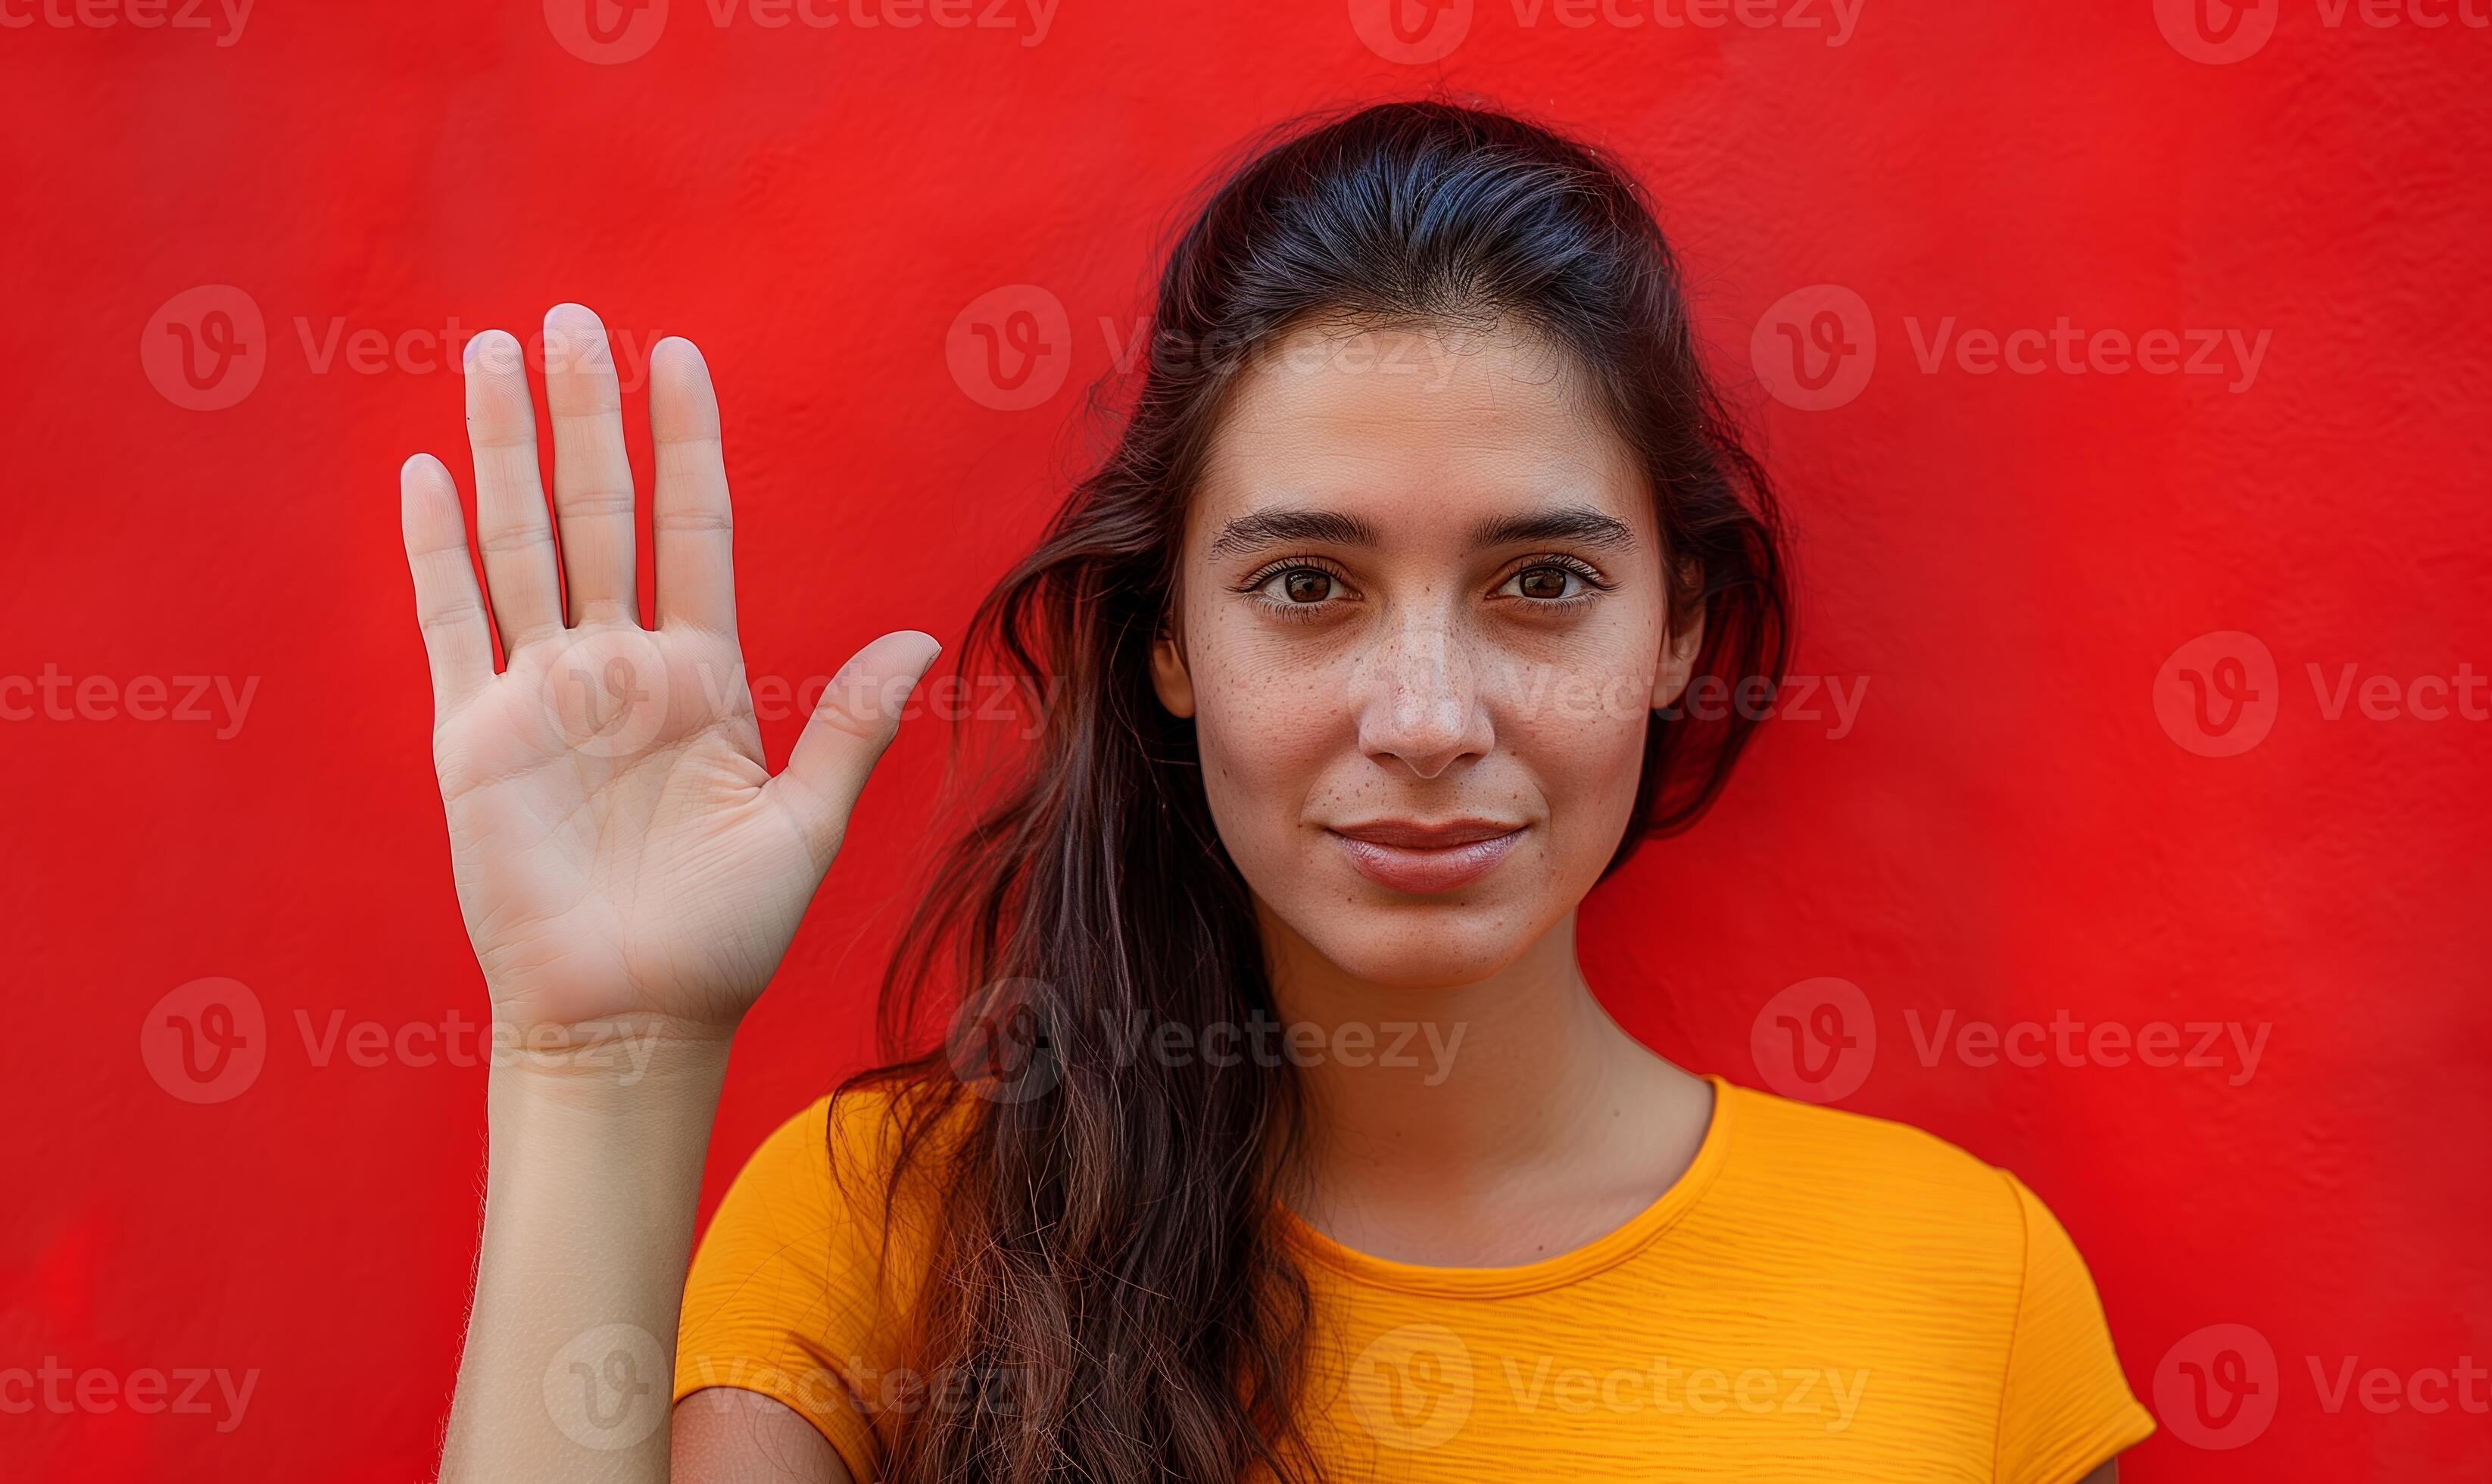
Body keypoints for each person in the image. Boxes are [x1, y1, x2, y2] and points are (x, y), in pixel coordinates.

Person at [404, 101, 2154, 1483]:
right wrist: (597, 1059)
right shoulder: (884, 1231)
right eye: (1305, 585)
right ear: (1165, 637)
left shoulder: (1957, 1281)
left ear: (1676, 628)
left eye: (1539, 582)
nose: (1420, 715)